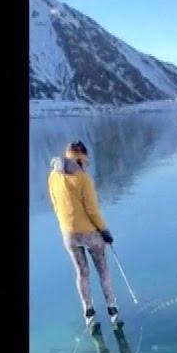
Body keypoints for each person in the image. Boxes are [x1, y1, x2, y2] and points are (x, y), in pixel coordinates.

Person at [48, 141, 122, 330]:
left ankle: (88, 312)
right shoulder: (83, 179)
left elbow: (56, 206)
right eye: (84, 161)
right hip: (90, 233)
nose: (85, 165)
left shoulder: (53, 176)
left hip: (69, 234)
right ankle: (112, 309)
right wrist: (105, 231)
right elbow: (92, 210)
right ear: (80, 159)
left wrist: (67, 227)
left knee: (81, 272)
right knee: (103, 271)